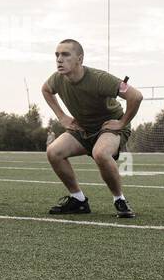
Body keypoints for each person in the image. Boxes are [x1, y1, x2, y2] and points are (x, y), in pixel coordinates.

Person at [42, 39, 142, 218]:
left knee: (101, 153)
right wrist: (62, 117)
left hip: (110, 126)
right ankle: (78, 200)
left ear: (79, 59)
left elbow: (136, 96)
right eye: (57, 55)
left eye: (65, 54)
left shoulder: (99, 78)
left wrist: (121, 122)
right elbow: (46, 90)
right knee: (53, 152)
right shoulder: (57, 79)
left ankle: (120, 200)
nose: (59, 59)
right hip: (83, 128)